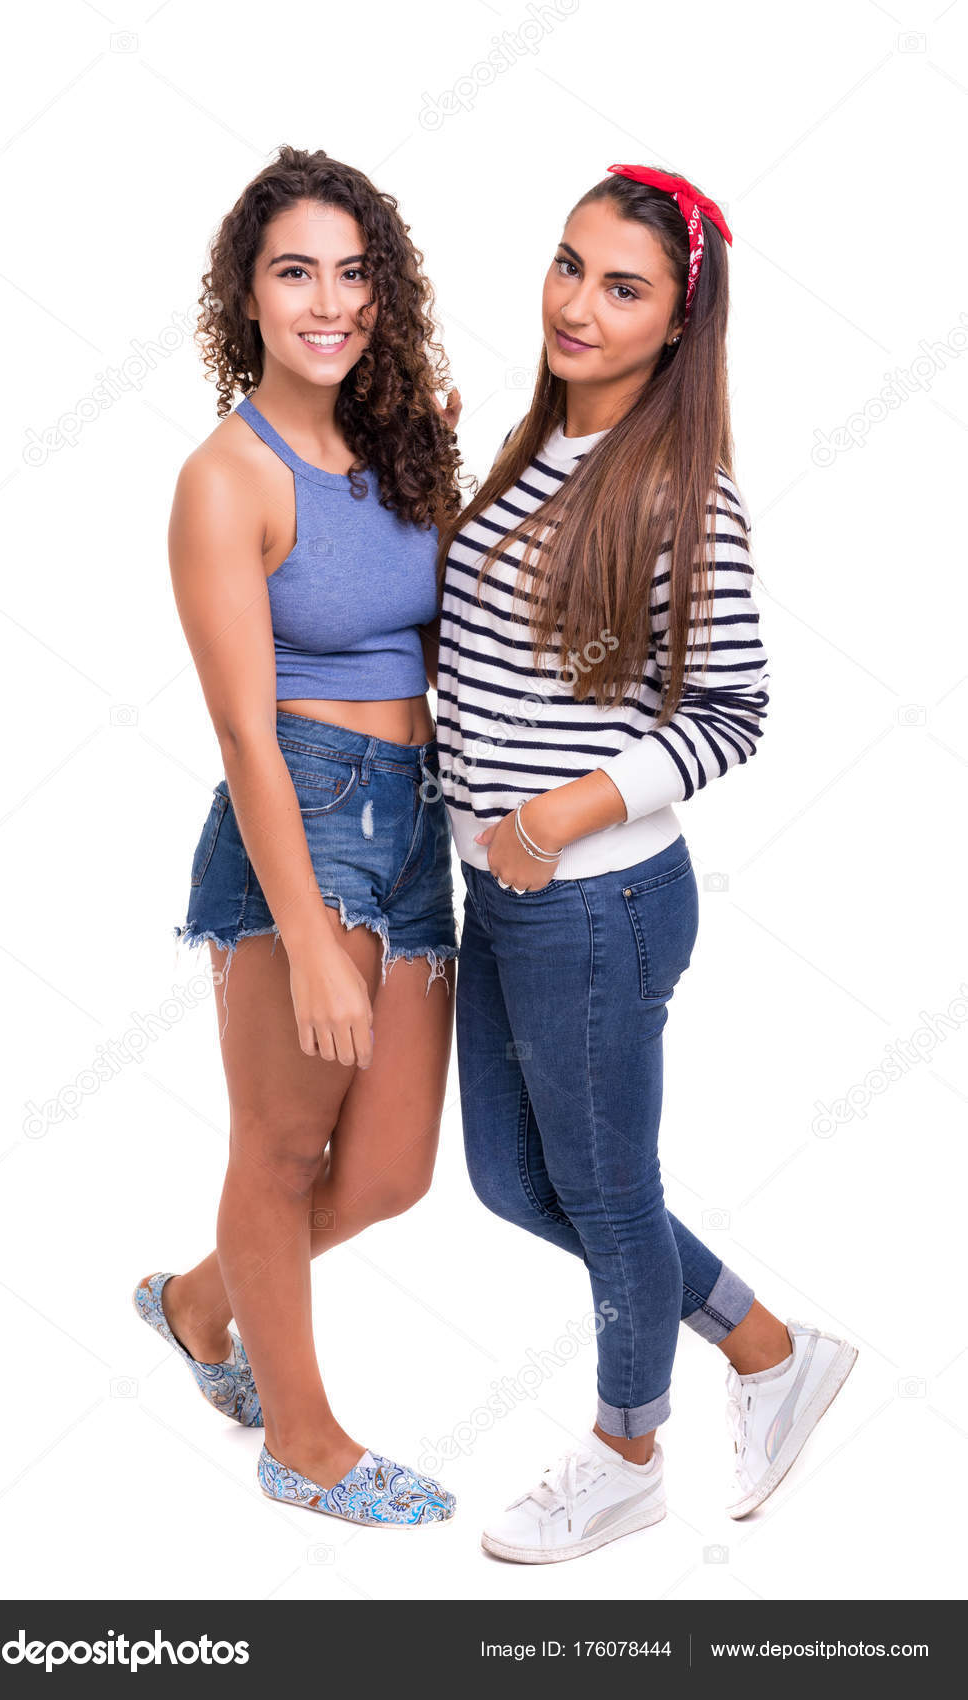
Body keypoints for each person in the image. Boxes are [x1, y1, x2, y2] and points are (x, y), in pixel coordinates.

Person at [435, 163, 858, 1564]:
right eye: (569, 267)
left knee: (611, 1195)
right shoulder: (531, 446)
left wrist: (562, 815)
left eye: (624, 288)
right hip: (500, 897)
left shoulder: (688, 497)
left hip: (598, 903)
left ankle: (625, 1453)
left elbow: (734, 712)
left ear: (680, 322)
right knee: (514, 1183)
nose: (578, 305)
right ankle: (767, 1344)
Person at [134, 146, 463, 1529]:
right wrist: (313, 949)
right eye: (295, 272)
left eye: (352, 272)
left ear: (380, 293)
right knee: (277, 1152)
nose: (327, 300)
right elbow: (245, 734)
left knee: (388, 1171)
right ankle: (301, 1442)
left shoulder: (402, 448)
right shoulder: (226, 476)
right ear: (248, 297)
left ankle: (205, 1299)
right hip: (303, 819)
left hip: (419, 818)